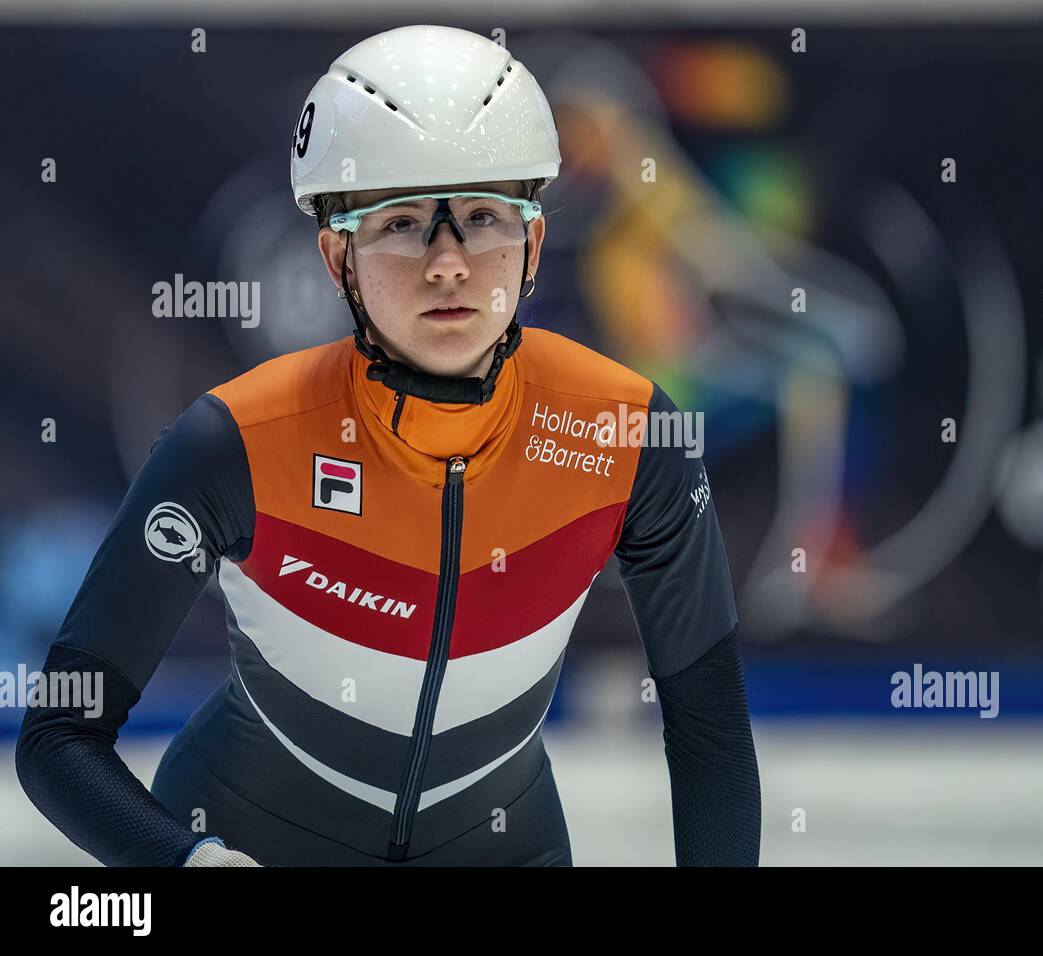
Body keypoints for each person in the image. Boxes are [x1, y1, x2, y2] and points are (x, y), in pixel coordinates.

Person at [16, 24, 760, 866]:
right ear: (337, 257)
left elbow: (713, 740)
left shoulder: (630, 432)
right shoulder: (235, 442)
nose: (448, 264)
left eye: (482, 218)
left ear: (535, 244)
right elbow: (59, 739)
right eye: (402, 224)